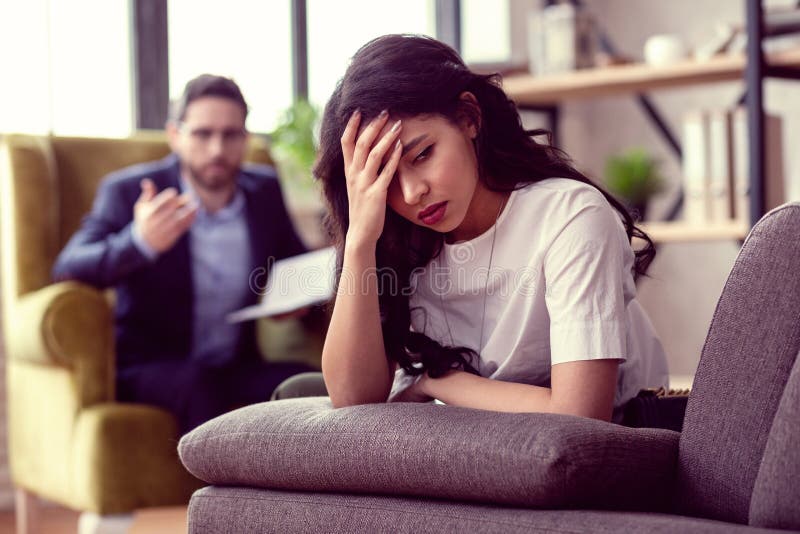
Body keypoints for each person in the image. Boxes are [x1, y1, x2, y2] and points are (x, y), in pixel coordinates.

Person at [315, 34, 669, 423]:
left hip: (620, 439)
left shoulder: (569, 217)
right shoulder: (399, 236)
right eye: (385, 178)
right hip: (488, 440)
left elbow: (581, 416)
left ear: (469, 118)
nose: (413, 192)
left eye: (423, 154)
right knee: (298, 388)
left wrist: (439, 381)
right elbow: (352, 399)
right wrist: (360, 242)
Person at [53, 74, 316, 433]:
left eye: (230, 134)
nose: (217, 150)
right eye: (203, 134)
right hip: (151, 366)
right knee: (198, 384)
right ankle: (223, 492)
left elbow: (297, 267)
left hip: (235, 364)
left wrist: (301, 298)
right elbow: (68, 268)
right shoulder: (128, 191)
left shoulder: (265, 191)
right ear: (175, 136)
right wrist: (138, 242)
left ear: (246, 138)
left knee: (307, 383)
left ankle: (315, 490)